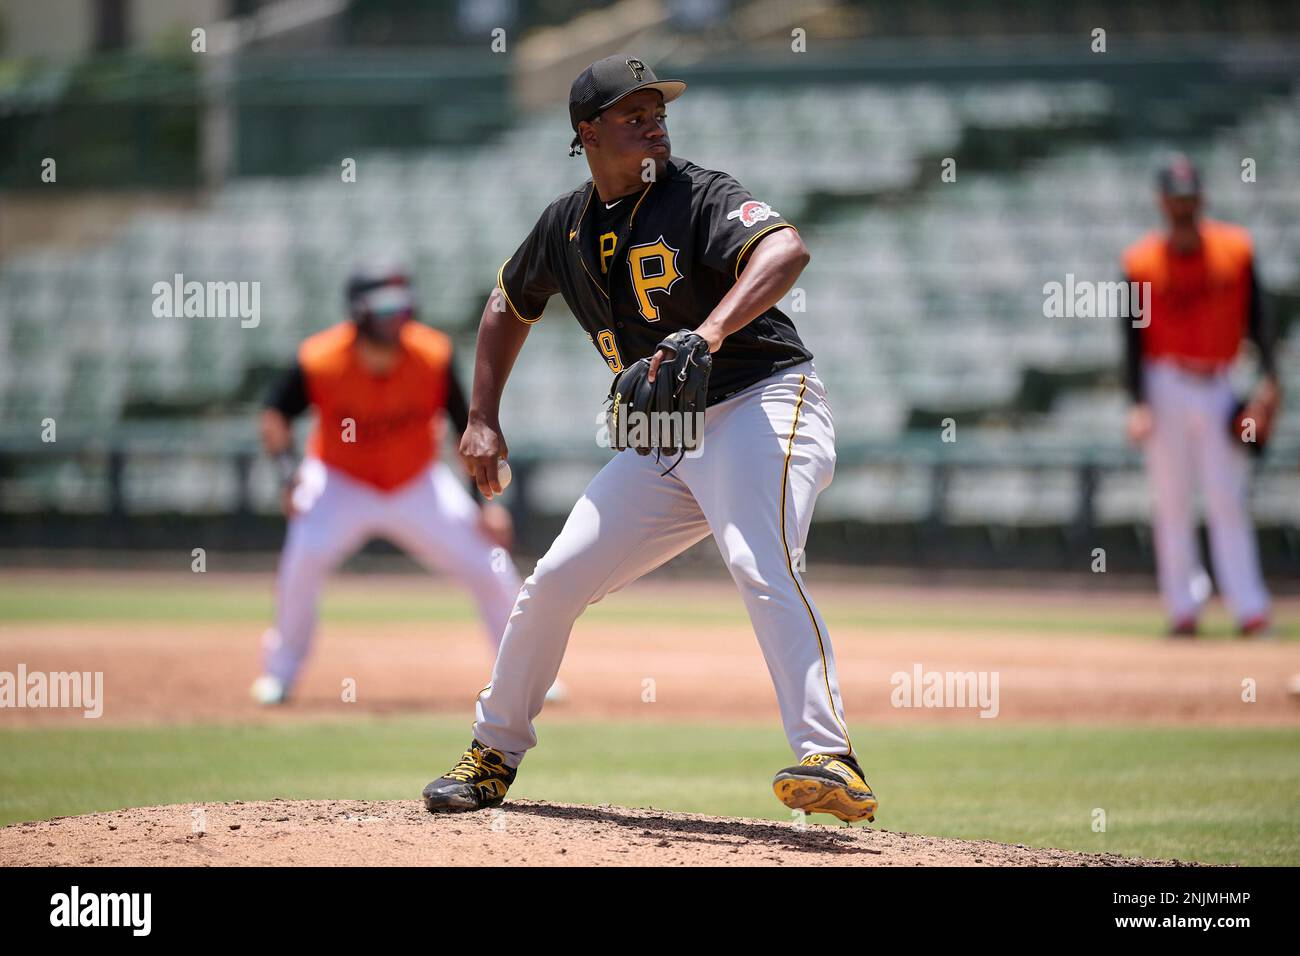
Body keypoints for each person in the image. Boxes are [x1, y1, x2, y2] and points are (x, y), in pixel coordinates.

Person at [419, 55, 876, 824]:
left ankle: (831, 756)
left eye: (657, 110)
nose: (654, 124)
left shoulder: (698, 193)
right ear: (587, 133)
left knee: (760, 558)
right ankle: (492, 754)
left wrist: (709, 330)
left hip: (763, 400)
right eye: (634, 116)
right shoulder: (564, 224)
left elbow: (784, 249)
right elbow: (507, 302)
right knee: (555, 580)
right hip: (665, 432)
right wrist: (482, 417)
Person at [252, 265, 560, 704]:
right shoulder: (321, 358)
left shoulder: (430, 353)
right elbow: (274, 414)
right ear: (359, 311)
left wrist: (482, 503)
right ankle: (279, 675)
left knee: (489, 563)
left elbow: (466, 432)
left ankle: (526, 676)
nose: (396, 316)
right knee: (301, 562)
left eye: (402, 304)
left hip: (416, 481)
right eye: (384, 306)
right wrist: (287, 476)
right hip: (340, 480)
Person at [1121, 155, 1280, 638]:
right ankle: (1183, 610)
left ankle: (1249, 609)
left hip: (1218, 382)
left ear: (1201, 201)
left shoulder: (1235, 250)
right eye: (1176, 200)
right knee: (1170, 503)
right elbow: (1131, 335)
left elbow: (1260, 319)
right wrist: (1138, 402)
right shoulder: (1141, 261)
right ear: (1163, 203)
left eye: (1189, 200)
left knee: (1226, 498)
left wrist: (1269, 379)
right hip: (1165, 381)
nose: (1183, 209)